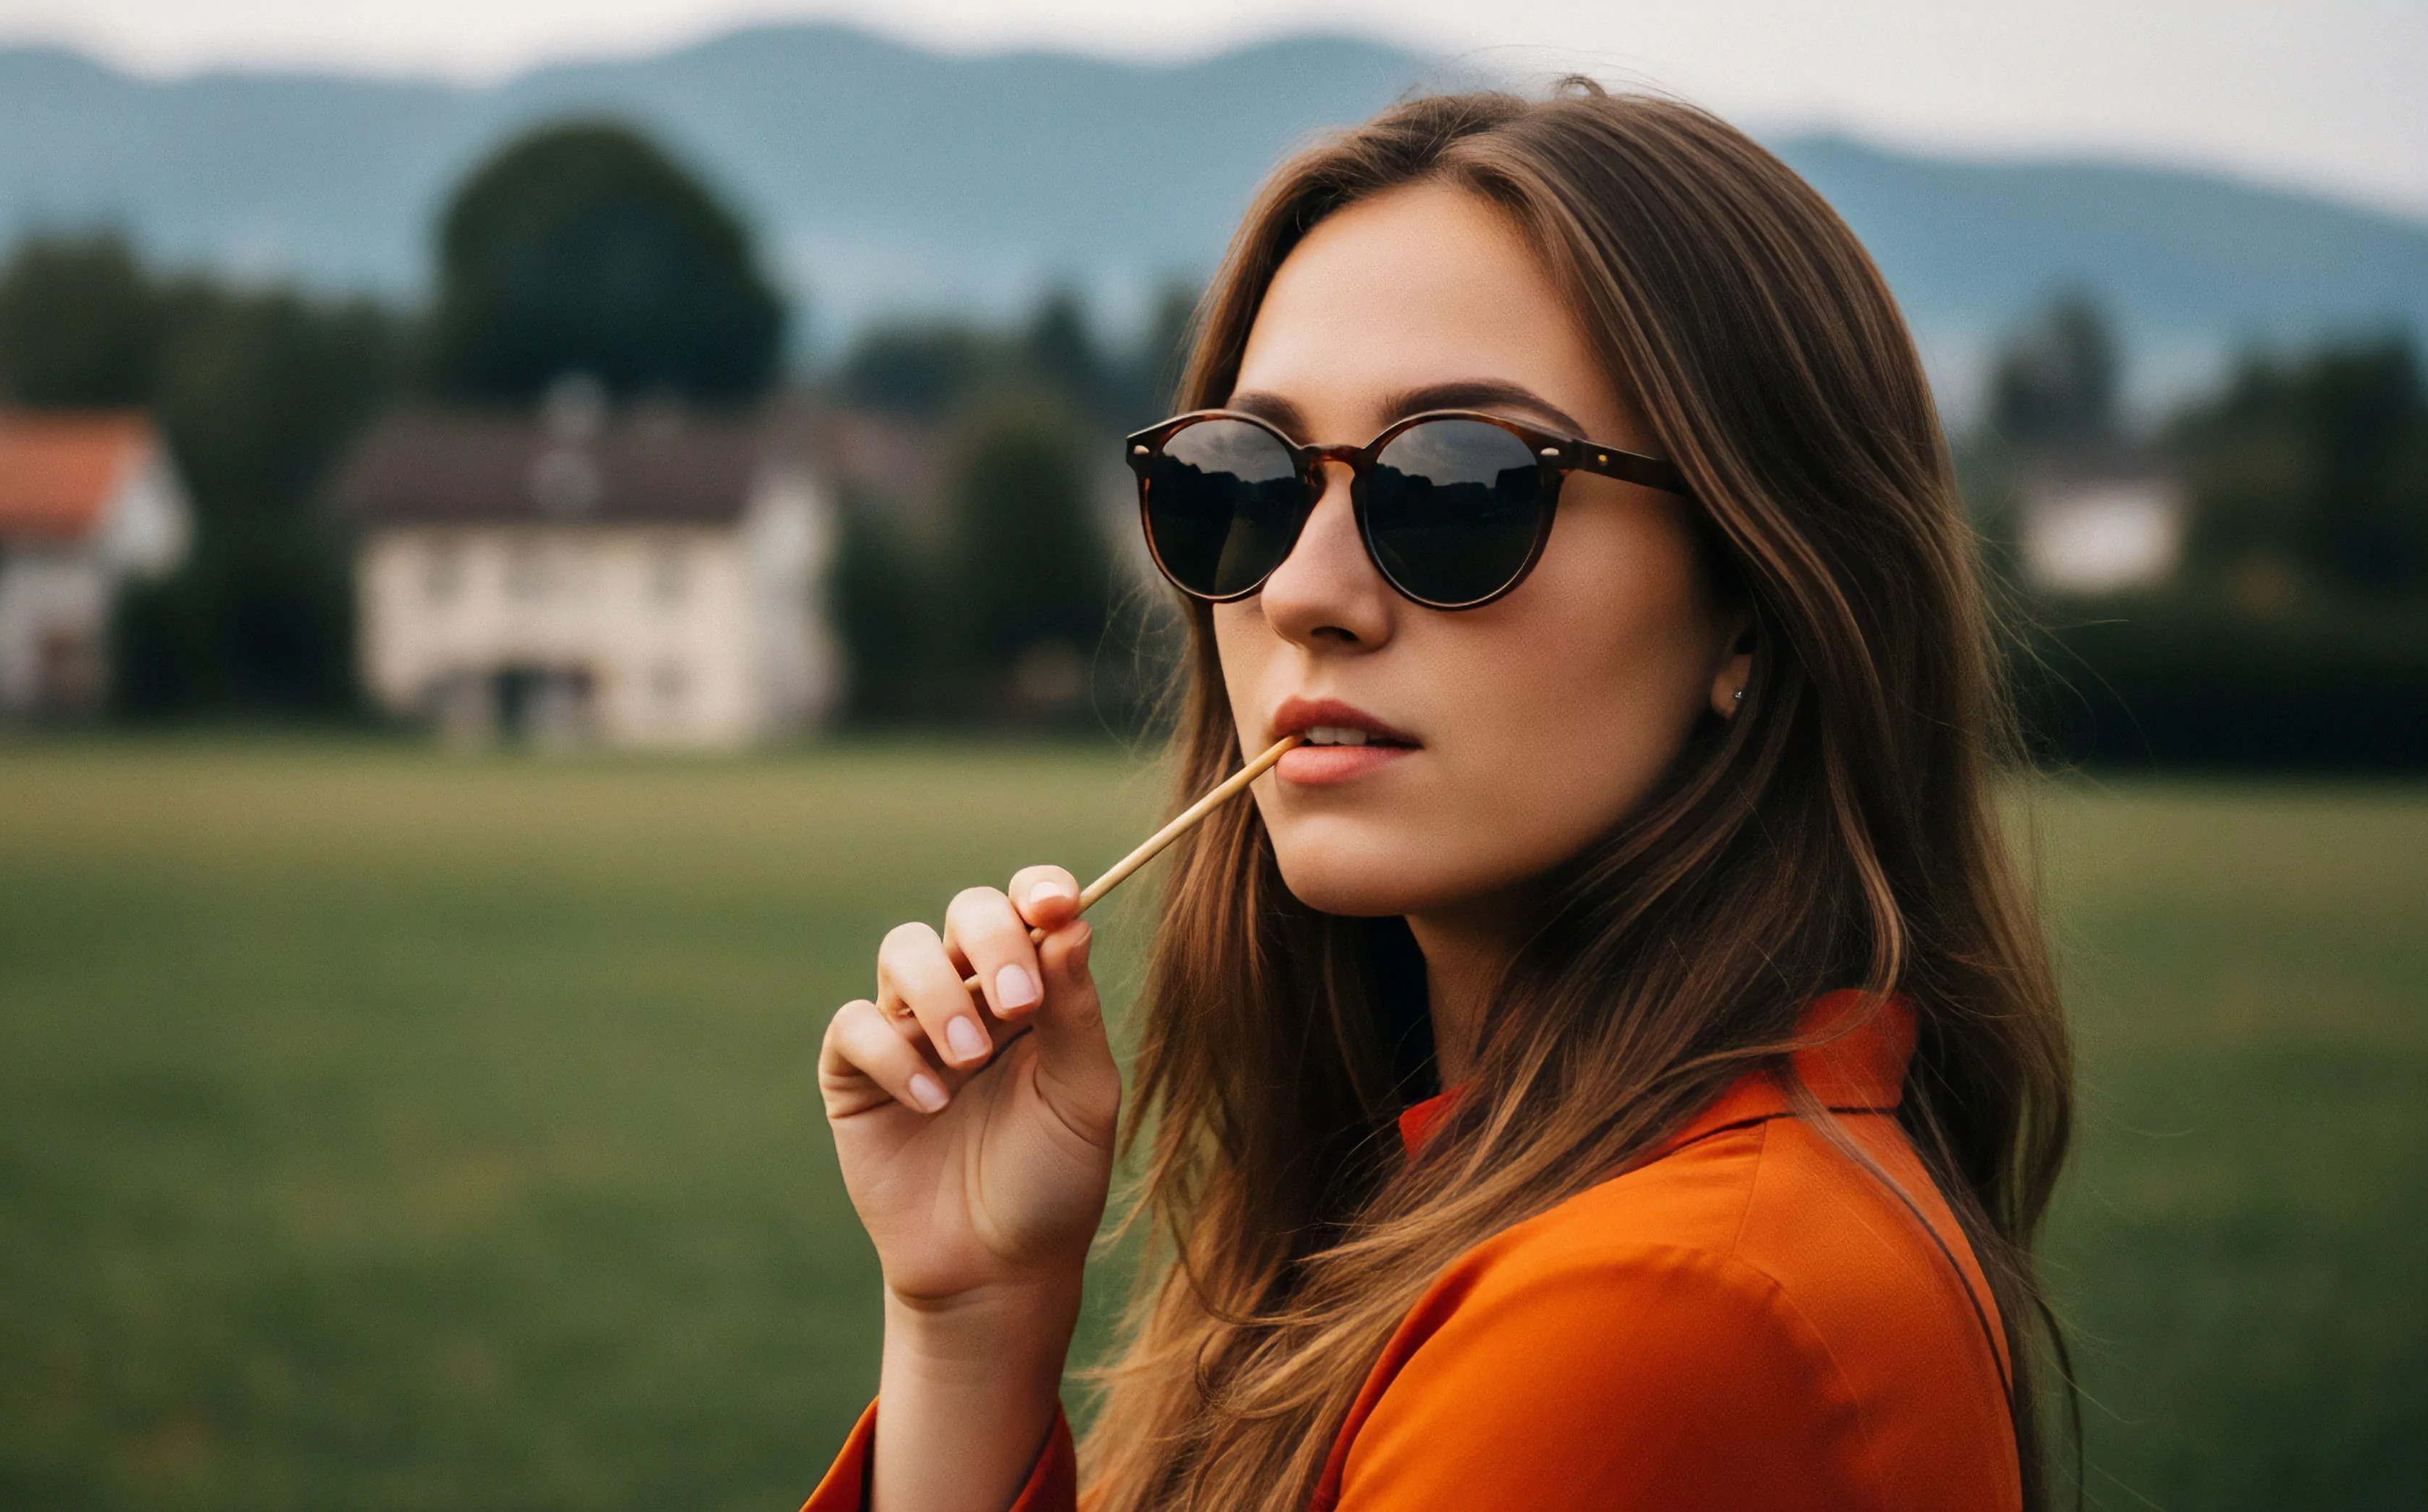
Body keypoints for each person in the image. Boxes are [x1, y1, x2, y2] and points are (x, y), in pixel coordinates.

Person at [809, 84, 2072, 1512]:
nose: (1299, 592)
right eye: (1247, 481)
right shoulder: (1493, 1201)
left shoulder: (1652, 1314)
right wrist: (968, 1328)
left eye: (1457, 486)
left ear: (1751, 604)